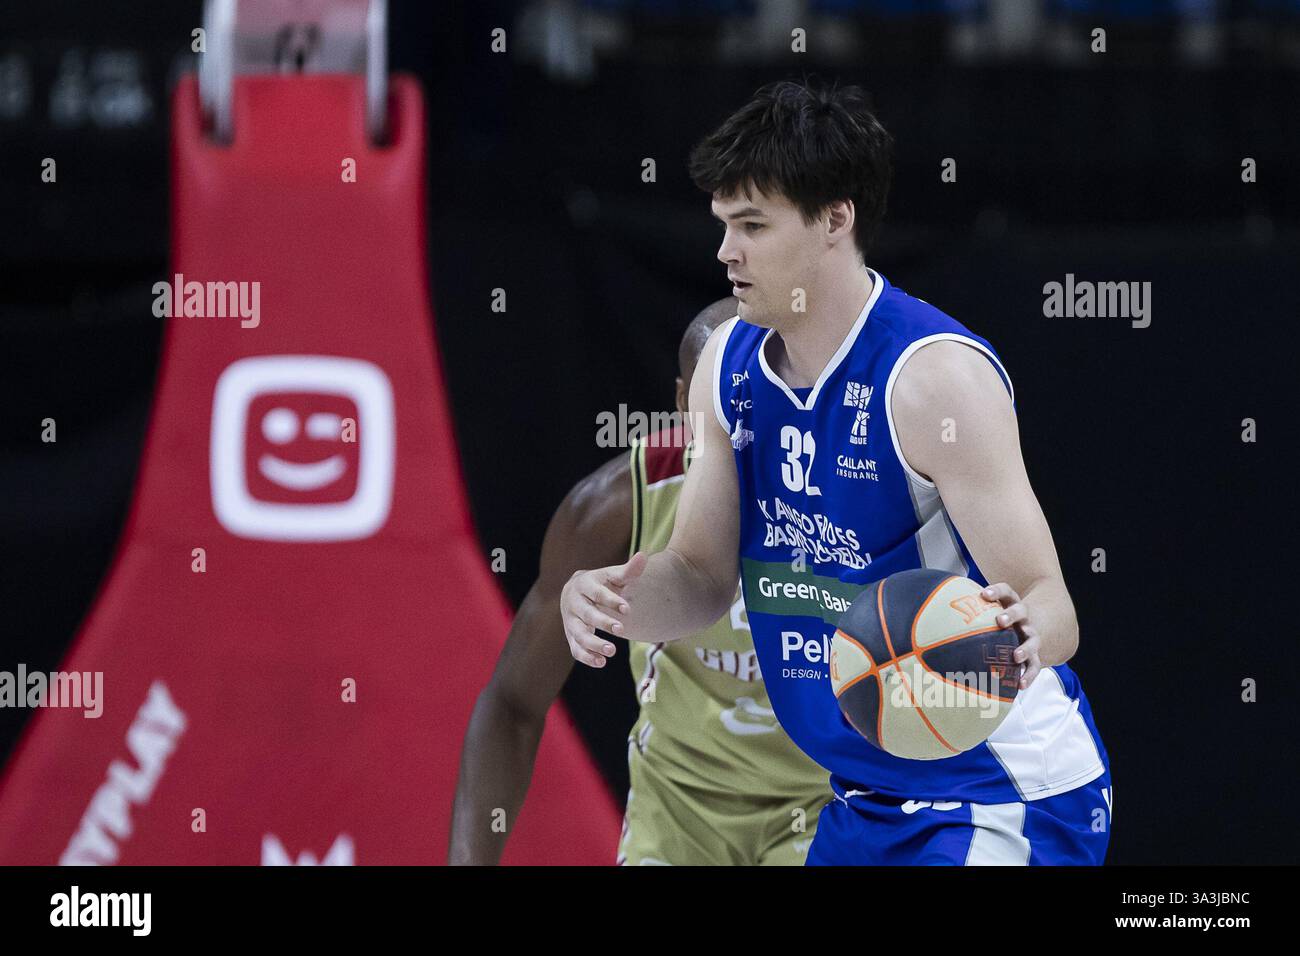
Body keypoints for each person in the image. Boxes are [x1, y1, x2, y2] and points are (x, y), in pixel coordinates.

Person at [560, 79, 1112, 866]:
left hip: (1000, 792)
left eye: (752, 225)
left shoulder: (933, 380)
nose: (725, 252)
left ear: (834, 220)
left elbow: (1054, 606)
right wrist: (612, 600)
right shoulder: (729, 369)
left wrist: (1014, 640)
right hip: (860, 798)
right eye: (723, 225)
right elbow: (699, 579)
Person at [450, 298, 830, 866]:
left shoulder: (865, 498)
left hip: (826, 803)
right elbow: (511, 703)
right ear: (685, 402)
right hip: (679, 813)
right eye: (729, 404)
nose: (749, 429)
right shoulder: (615, 509)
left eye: (770, 400)